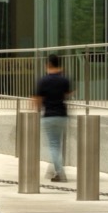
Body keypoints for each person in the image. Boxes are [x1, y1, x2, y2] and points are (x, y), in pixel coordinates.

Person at [34, 55, 74, 183]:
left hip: (49, 115)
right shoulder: (64, 80)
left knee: (54, 145)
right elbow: (68, 94)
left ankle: (59, 173)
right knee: (57, 144)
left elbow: (37, 99)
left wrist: (37, 110)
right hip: (62, 115)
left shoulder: (43, 81)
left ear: (48, 64)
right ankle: (54, 169)